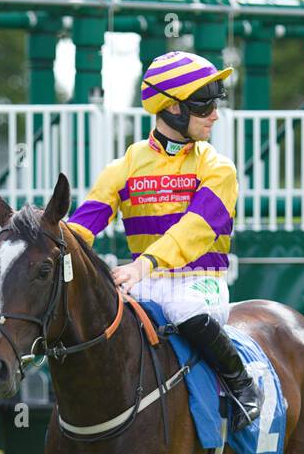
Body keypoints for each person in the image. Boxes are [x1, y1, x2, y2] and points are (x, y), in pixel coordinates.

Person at [66, 49, 264, 432]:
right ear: (172, 108)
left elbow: (197, 226)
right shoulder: (123, 166)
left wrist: (144, 264)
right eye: (204, 105)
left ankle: (242, 384)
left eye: (215, 103)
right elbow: (84, 225)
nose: (215, 115)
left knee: (182, 308)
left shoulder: (217, 167)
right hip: (142, 284)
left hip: (199, 282)